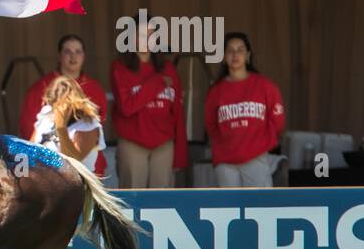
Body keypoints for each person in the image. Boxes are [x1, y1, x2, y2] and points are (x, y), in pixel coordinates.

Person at [110, 17, 187, 187]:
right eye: (141, 34)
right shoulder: (119, 67)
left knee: (161, 202)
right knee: (133, 198)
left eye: (151, 35)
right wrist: (157, 83)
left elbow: (178, 115)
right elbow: (127, 107)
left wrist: (181, 154)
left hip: (164, 145)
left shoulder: (169, 69)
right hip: (132, 142)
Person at [19, 34, 109, 177]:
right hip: (46, 179)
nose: (73, 56)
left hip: (80, 179)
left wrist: (61, 127)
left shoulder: (90, 115)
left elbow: (75, 163)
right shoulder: (42, 96)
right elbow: (29, 141)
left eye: (78, 52)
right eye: (67, 51)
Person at [204, 32, 285, 188]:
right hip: (225, 161)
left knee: (259, 207)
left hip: (256, 158)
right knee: (229, 209)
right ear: (223, 56)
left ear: (248, 55)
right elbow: (210, 125)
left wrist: (262, 143)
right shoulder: (216, 91)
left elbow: (278, 122)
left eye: (240, 50)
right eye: (230, 50)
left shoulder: (265, 86)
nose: (235, 54)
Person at [32, 76, 105, 171]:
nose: (61, 109)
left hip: (75, 182)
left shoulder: (88, 125)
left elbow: (74, 163)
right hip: (43, 179)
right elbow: (31, 147)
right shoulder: (47, 114)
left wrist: (61, 128)